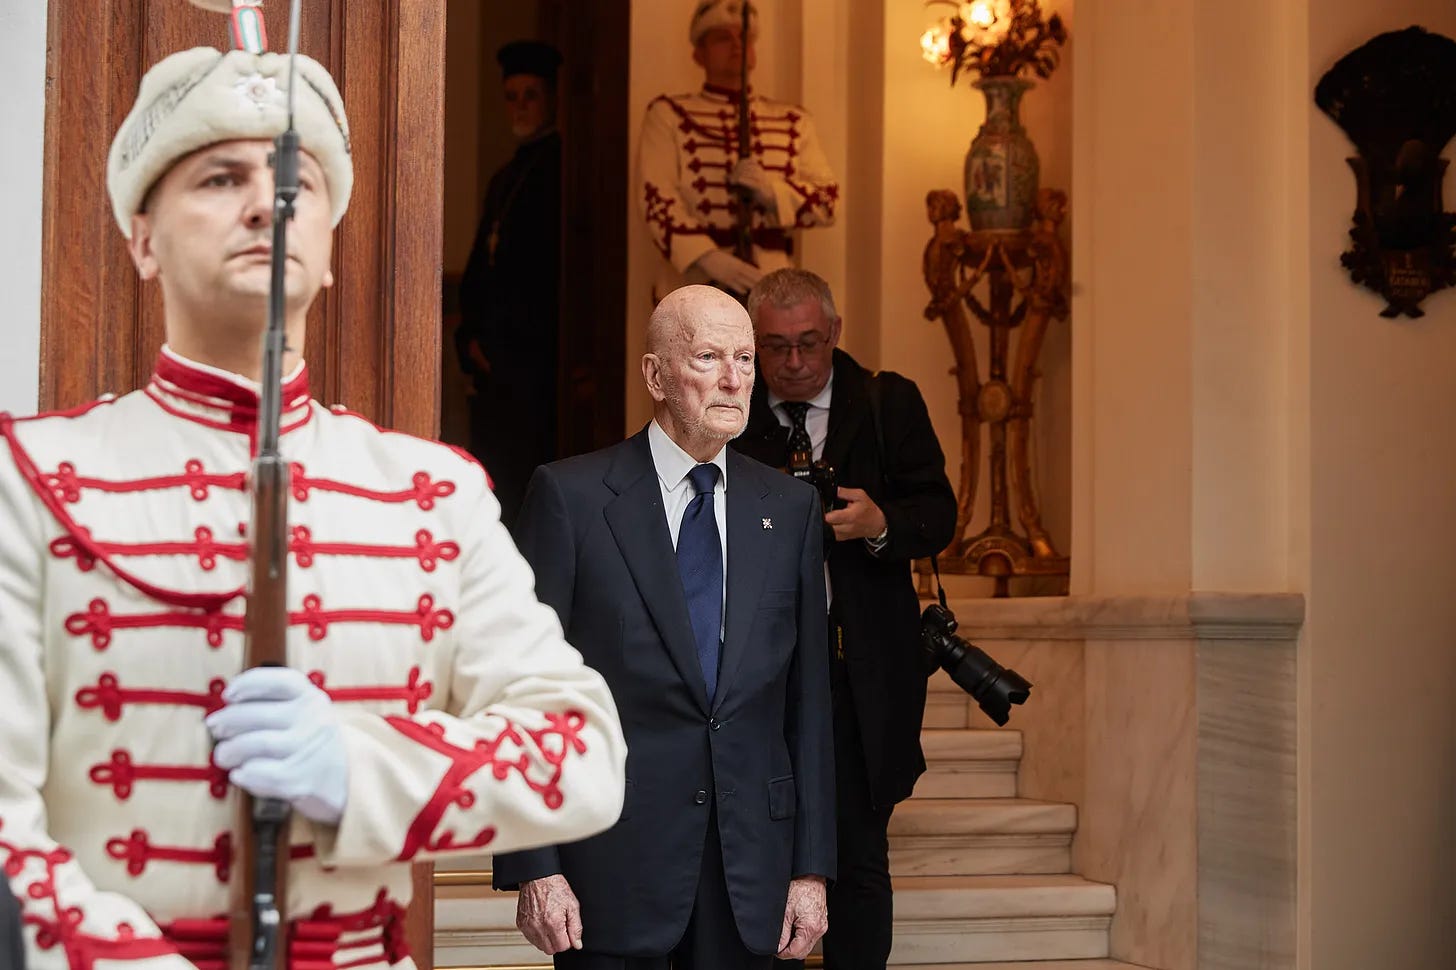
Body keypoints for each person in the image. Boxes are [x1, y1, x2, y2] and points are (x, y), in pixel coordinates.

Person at [0, 44, 627, 970]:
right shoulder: (28, 478)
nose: (269, 204)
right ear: (141, 237)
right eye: (220, 178)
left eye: (298, 182)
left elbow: (579, 752)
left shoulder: (433, 494)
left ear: (329, 249)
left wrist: (357, 766)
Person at [493, 284, 835, 970]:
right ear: (655, 375)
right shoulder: (571, 498)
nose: (734, 378)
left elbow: (808, 703)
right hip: (610, 867)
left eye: (744, 358)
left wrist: (811, 870)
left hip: (753, 872)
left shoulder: (791, 507)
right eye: (708, 357)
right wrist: (535, 863)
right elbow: (522, 690)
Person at [732, 269, 957, 970]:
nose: (794, 363)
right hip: (759, 673)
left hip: (862, 675)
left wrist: (879, 523)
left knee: (858, 856)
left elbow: (938, 513)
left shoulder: (886, 402)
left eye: (808, 343)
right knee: (759, 854)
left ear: (835, 332)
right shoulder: (731, 407)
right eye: (775, 347)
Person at [636, 0, 839, 302]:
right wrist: (707, 257)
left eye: (743, 37)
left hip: (773, 287)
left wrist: (772, 192)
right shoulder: (668, 115)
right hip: (693, 283)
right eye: (722, 38)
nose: (736, 45)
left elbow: (827, 202)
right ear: (698, 54)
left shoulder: (793, 120)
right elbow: (656, 199)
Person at [456, 40, 564, 528]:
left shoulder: (563, 169)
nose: (519, 107)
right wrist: (470, 339)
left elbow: (543, 277)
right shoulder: (505, 176)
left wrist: (503, 346)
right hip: (493, 366)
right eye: (511, 97)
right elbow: (483, 264)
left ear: (552, 99)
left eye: (531, 96)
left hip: (533, 365)